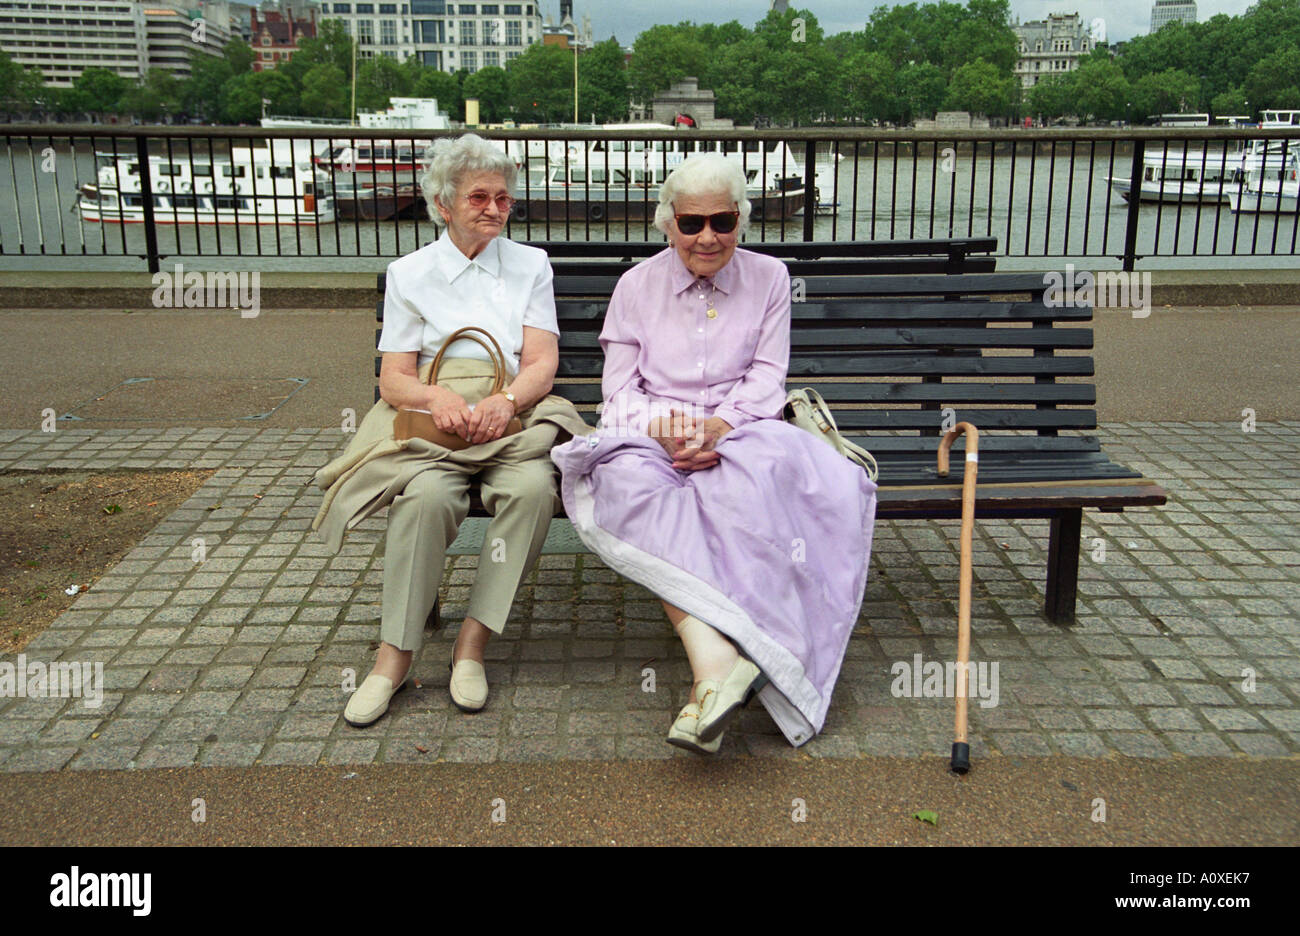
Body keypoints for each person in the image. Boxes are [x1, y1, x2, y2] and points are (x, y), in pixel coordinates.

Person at [551, 155, 878, 753]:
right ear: (668, 224)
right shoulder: (635, 286)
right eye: (692, 222)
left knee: (756, 484)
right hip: (653, 434)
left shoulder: (772, 277)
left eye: (723, 221)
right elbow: (619, 392)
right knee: (630, 488)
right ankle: (721, 668)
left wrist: (720, 427)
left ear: (741, 221)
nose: (708, 237)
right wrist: (670, 430)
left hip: (744, 428)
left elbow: (766, 376)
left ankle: (716, 677)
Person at [310, 133, 588, 727]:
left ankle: (471, 645)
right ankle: (395, 659)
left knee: (535, 490)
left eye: (504, 199)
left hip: (510, 419)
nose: (493, 209)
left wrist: (506, 398)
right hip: (436, 428)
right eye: (478, 197)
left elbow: (541, 361)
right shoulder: (410, 273)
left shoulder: (530, 265)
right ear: (443, 205)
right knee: (427, 497)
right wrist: (437, 397)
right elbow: (395, 381)